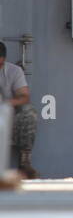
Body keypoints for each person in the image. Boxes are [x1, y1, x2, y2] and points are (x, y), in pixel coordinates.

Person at [0, 42, 35, 178]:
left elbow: (24, 96)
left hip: (7, 115)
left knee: (28, 111)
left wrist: (6, 103)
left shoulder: (14, 71)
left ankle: (25, 161)